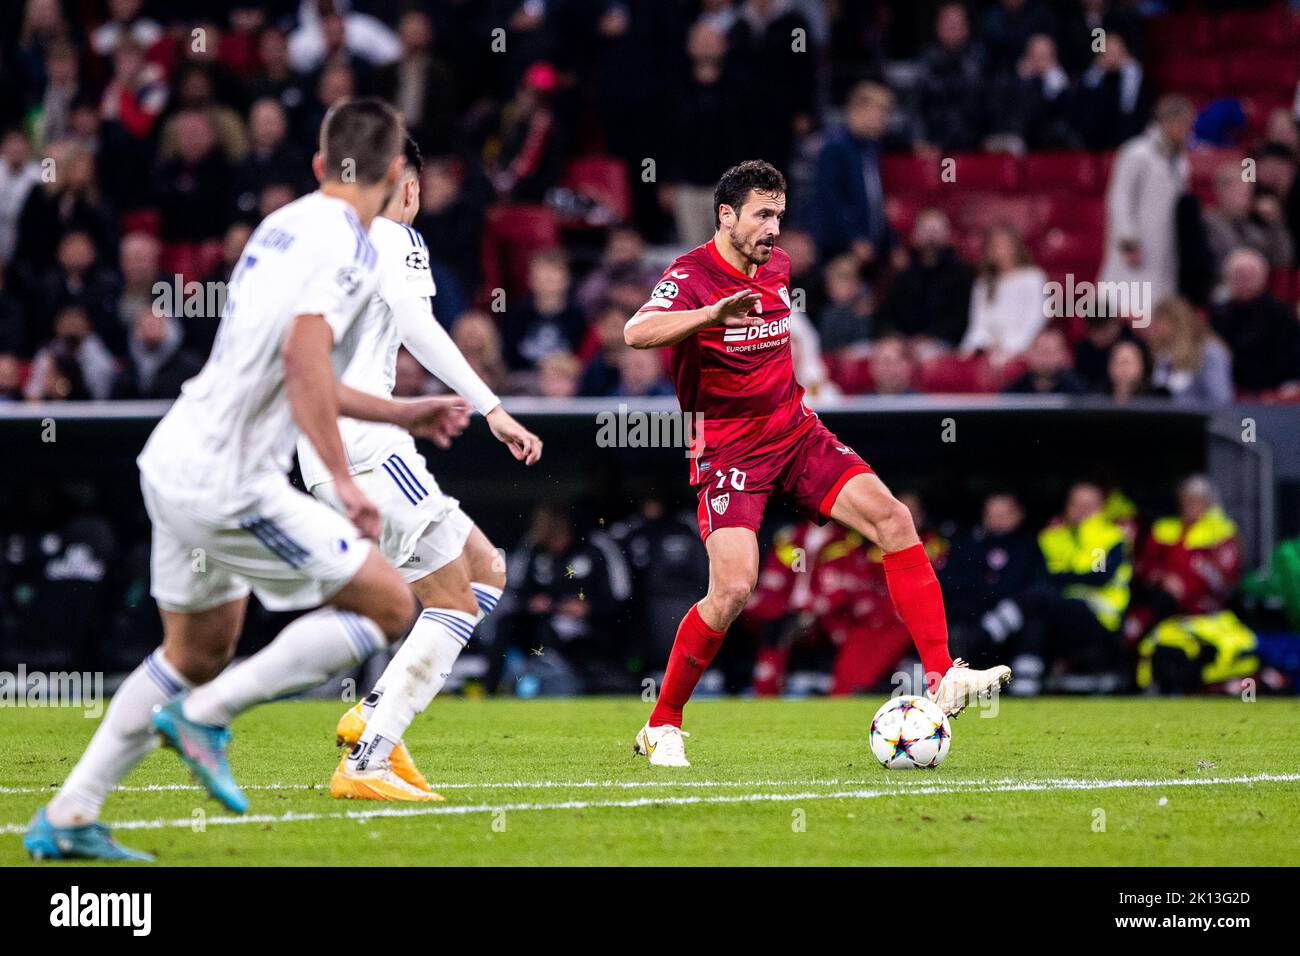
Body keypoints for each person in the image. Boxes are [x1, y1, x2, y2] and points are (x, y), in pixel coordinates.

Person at [24, 100, 468, 862]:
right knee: (391, 602)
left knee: (197, 647)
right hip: (229, 478)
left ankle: (69, 815)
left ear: (322, 167)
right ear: (398, 173)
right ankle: (207, 716)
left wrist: (404, 409)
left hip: (175, 454)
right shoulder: (353, 251)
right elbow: (305, 367)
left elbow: (297, 364)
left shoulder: (284, 222)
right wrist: (344, 479)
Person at [622, 160, 1010, 767]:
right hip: (728, 450)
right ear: (726, 216)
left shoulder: (776, 266)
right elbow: (636, 331)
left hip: (795, 432)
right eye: (762, 215)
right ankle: (662, 723)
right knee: (732, 590)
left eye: (779, 215)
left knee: (894, 520)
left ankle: (942, 675)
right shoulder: (690, 275)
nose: (774, 228)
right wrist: (708, 317)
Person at [298, 136, 543, 801]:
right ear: (405, 182)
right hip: (371, 446)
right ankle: (366, 760)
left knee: (486, 570)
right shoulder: (396, 238)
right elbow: (417, 322)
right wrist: (491, 406)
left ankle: (376, 714)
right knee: (455, 601)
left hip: (326, 445)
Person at [1098, 96, 1194, 322]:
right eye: (1185, 123)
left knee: (1158, 309)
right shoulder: (1136, 152)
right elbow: (1119, 197)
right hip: (1136, 245)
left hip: (1165, 243)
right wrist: (1128, 240)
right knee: (1125, 303)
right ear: (1168, 122)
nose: (1188, 130)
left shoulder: (1179, 160)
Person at [960, 224, 1048, 363]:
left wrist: (1009, 346)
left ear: (1016, 248)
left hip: (1020, 347)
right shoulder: (984, 282)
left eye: (1005, 246)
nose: (1000, 251)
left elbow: (1035, 320)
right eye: (995, 247)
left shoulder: (1033, 278)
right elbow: (978, 322)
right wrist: (975, 346)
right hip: (987, 346)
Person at [1143, 296, 1233, 406]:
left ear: (1177, 323)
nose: (1155, 328)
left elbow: (1221, 401)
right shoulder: (1162, 355)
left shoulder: (1210, 353)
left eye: (1160, 322)